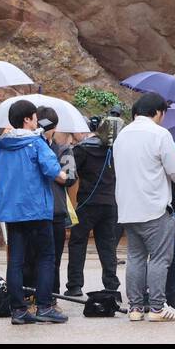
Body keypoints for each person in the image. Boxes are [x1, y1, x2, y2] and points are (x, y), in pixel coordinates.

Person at [0, 98, 70, 325]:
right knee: (46, 257)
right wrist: (63, 176)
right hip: (36, 209)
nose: (37, 121)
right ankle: (44, 306)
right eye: (34, 117)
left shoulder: (1, 145)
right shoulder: (36, 142)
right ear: (27, 119)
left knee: (16, 260)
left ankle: (19, 310)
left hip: (12, 212)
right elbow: (52, 170)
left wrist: (9, 193)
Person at [113, 92, 175, 322]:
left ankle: (135, 308)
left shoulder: (121, 135)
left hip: (127, 207)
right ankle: (157, 308)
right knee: (159, 258)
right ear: (158, 112)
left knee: (135, 257)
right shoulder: (160, 134)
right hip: (154, 206)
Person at [65, 121, 120, 298]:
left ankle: (75, 285)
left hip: (87, 203)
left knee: (78, 242)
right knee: (107, 245)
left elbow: (70, 176)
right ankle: (111, 284)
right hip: (110, 204)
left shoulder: (82, 149)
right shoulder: (116, 150)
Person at [35, 108, 75, 296]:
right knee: (33, 257)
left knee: (54, 259)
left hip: (56, 210)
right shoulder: (30, 146)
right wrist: (55, 172)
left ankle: (53, 295)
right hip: (34, 210)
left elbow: (70, 178)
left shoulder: (62, 149)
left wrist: (50, 172)